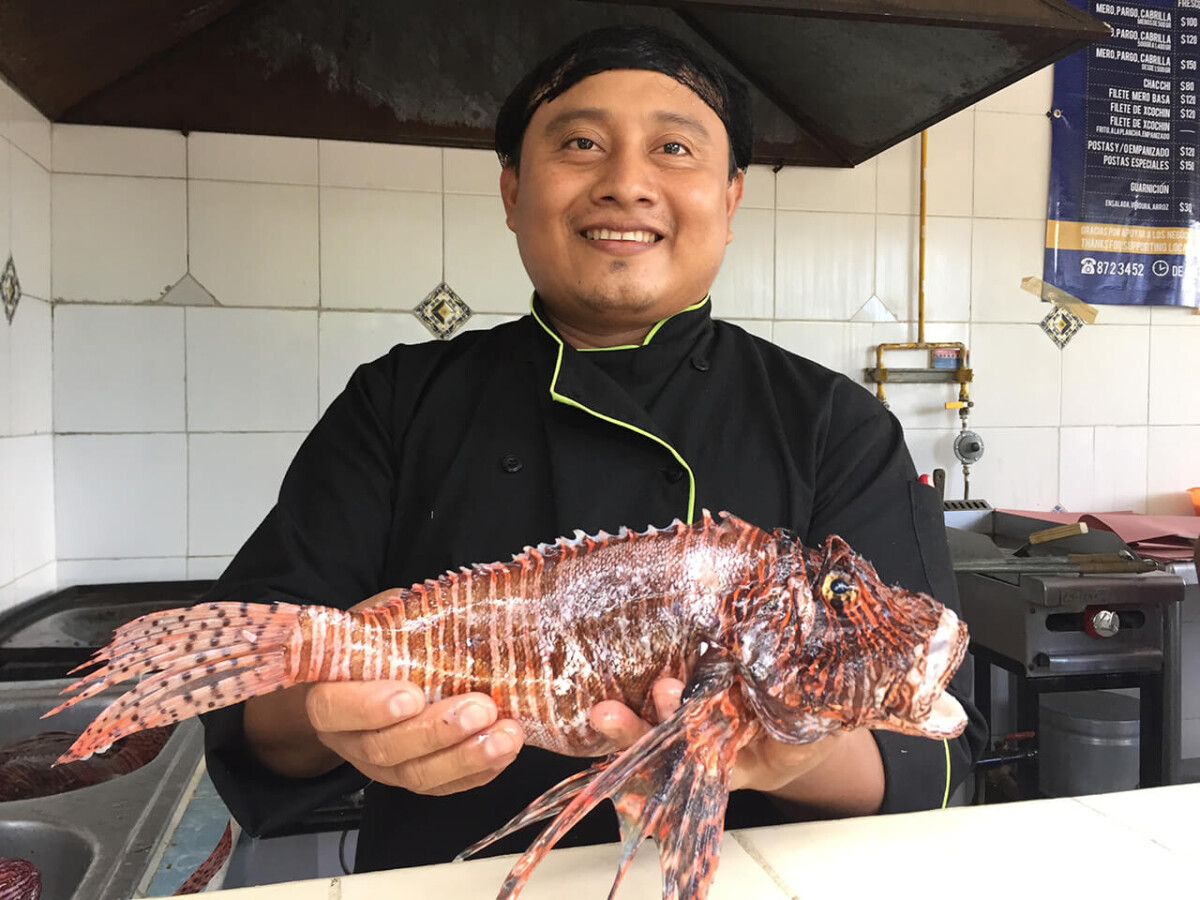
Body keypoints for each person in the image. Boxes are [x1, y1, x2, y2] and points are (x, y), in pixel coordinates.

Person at [201, 24, 988, 873]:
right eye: (580, 143)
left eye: (674, 149)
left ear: (728, 201)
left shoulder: (836, 424)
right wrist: (328, 714)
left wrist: (788, 746)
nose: (626, 184)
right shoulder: (397, 401)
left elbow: (931, 756)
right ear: (511, 191)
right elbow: (254, 703)